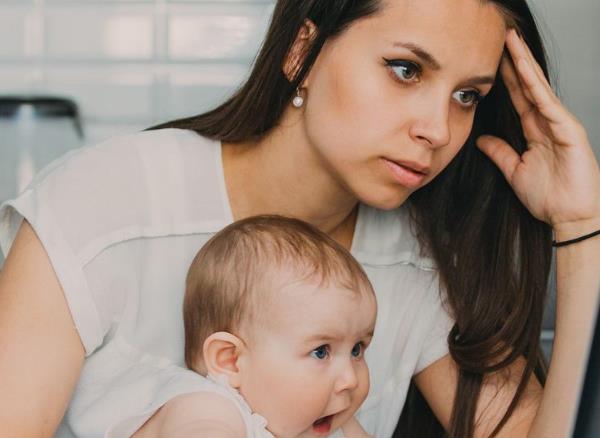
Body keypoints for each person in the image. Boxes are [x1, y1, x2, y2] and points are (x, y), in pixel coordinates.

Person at [0, 0, 599, 437]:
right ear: (301, 52)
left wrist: (579, 225)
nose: (438, 130)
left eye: (467, 96)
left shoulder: (416, 259)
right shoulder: (106, 201)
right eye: (406, 70)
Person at [107, 214, 376, 438]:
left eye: (357, 349)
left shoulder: (335, 426)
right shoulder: (209, 411)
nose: (350, 380)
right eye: (321, 351)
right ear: (231, 360)